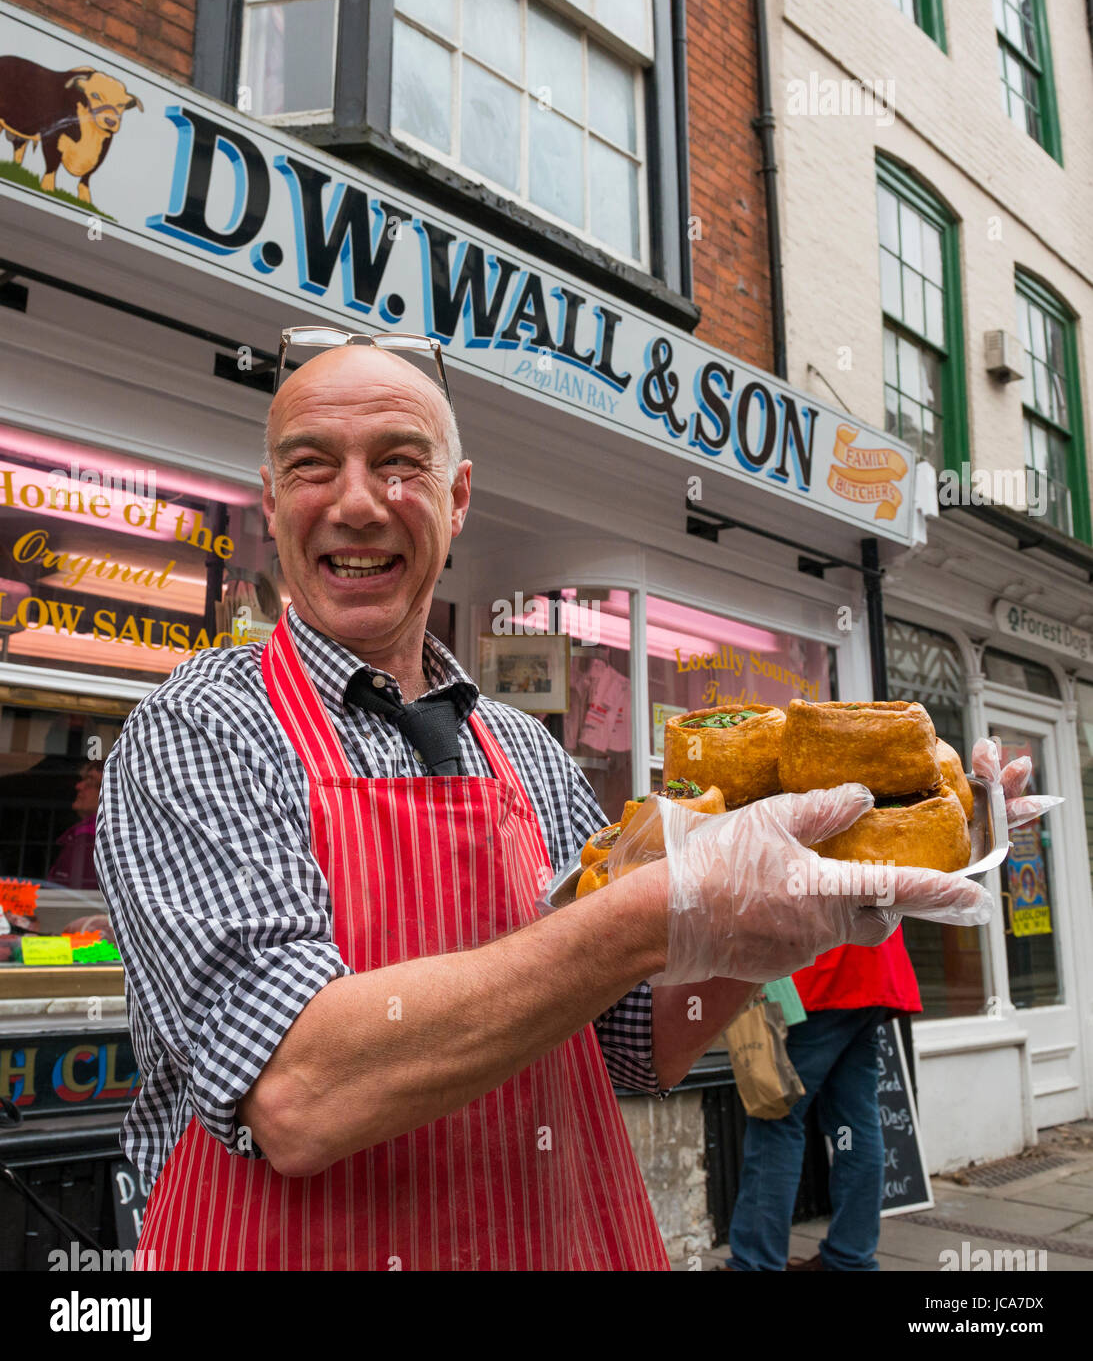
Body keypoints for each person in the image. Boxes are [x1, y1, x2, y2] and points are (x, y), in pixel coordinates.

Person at [94, 335, 984, 1271]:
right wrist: (655, 913)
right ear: (273, 504)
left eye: (400, 463)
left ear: (458, 498)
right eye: (312, 467)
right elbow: (297, 1096)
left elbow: (638, 1046)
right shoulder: (200, 727)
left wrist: (810, 907)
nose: (356, 502)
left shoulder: (524, 750)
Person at [723, 743, 1054, 1273]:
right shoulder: (865, 792)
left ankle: (754, 1263)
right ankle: (851, 1257)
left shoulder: (811, 794)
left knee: (776, 1113)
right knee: (855, 1118)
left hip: (822, 980)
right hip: (874, 974)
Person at [47, 760, 103, 889]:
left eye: (90, 781)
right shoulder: (85, 836)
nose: (79, 786)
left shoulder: (91, 840)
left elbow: (69, 896)